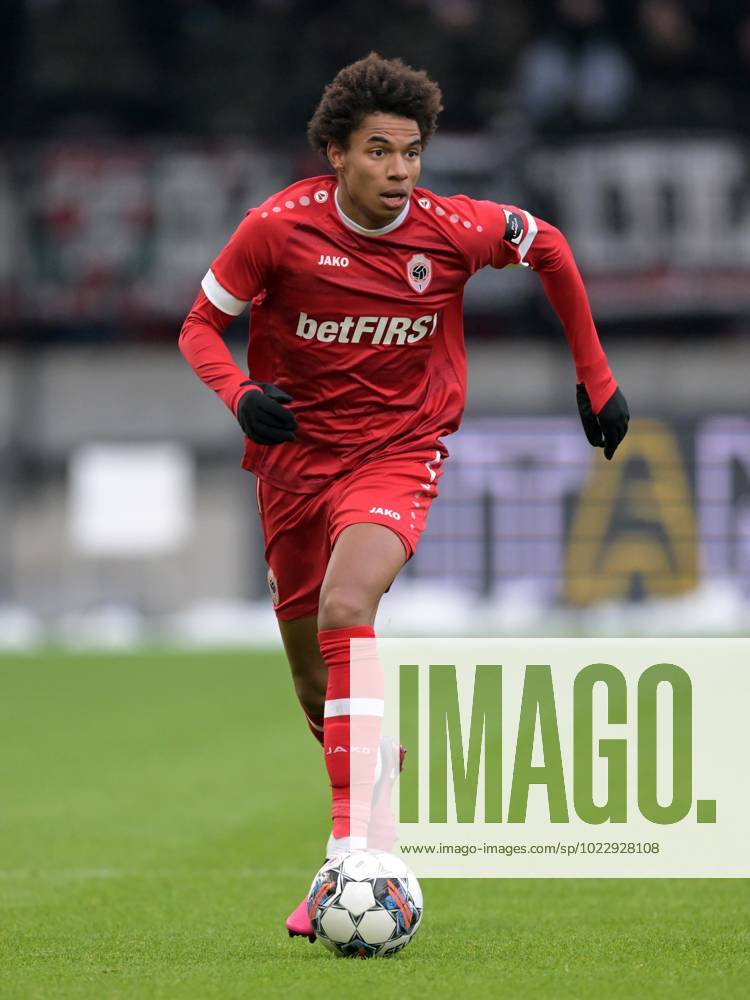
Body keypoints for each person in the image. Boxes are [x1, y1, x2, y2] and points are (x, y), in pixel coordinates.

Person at [178, 52, 630, 942]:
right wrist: (239, 394)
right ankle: (375, 797)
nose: (399, 171)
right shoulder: (275, 230)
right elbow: (200, 326)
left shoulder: (451, 229)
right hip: (294, 465)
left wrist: (597, 377)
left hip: (398, 453)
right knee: (314, 682)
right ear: (337, 154)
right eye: (380, 152)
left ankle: (352, 854)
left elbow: (549, 246)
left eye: (412, 153)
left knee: (350, 607)